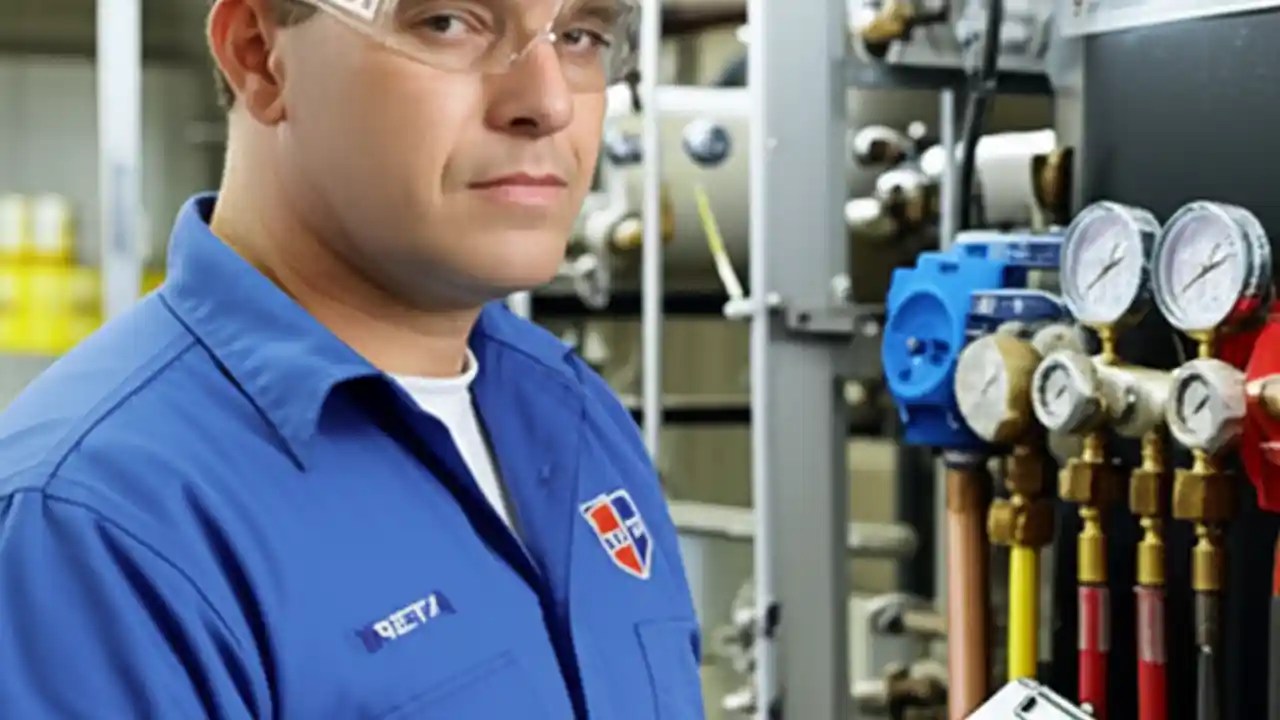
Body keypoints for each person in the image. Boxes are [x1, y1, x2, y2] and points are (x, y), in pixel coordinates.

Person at [0, 0, 704, 717]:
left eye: (581, 37)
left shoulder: (577, 415)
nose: (548, 102)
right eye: (448, 23)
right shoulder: (95, 525)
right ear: (259, 57)